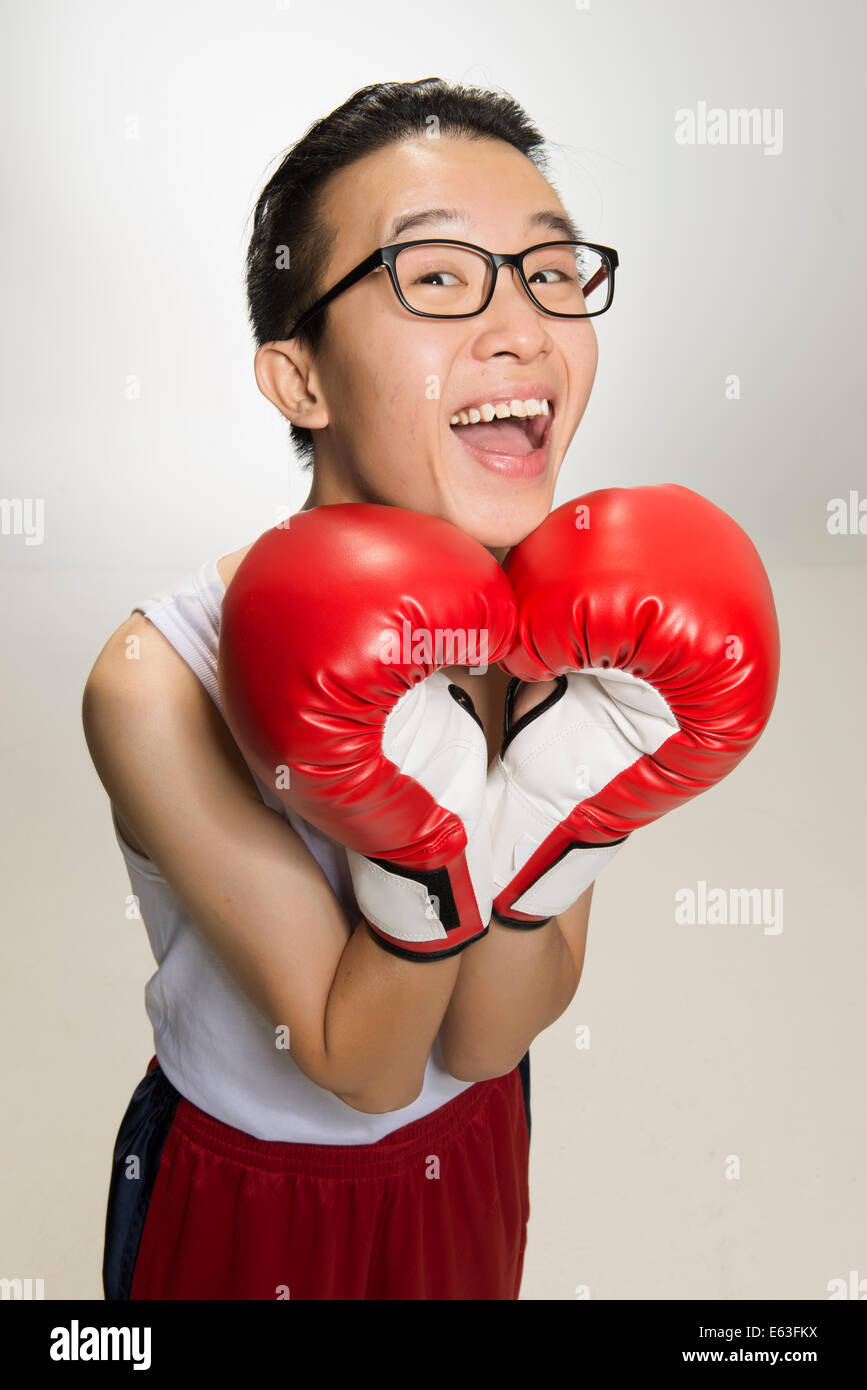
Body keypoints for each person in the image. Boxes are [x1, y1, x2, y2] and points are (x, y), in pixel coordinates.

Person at [83, 76, 779, 1302]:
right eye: (441, 278)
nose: (523, 326)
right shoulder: (158, 678)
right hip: (253, 1189)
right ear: (300, 379)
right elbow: (360, 1062)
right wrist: (425, 818)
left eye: (552, 274)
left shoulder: (565, 619)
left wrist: (577, 796)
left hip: (469, 1152)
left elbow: (486, 1036)